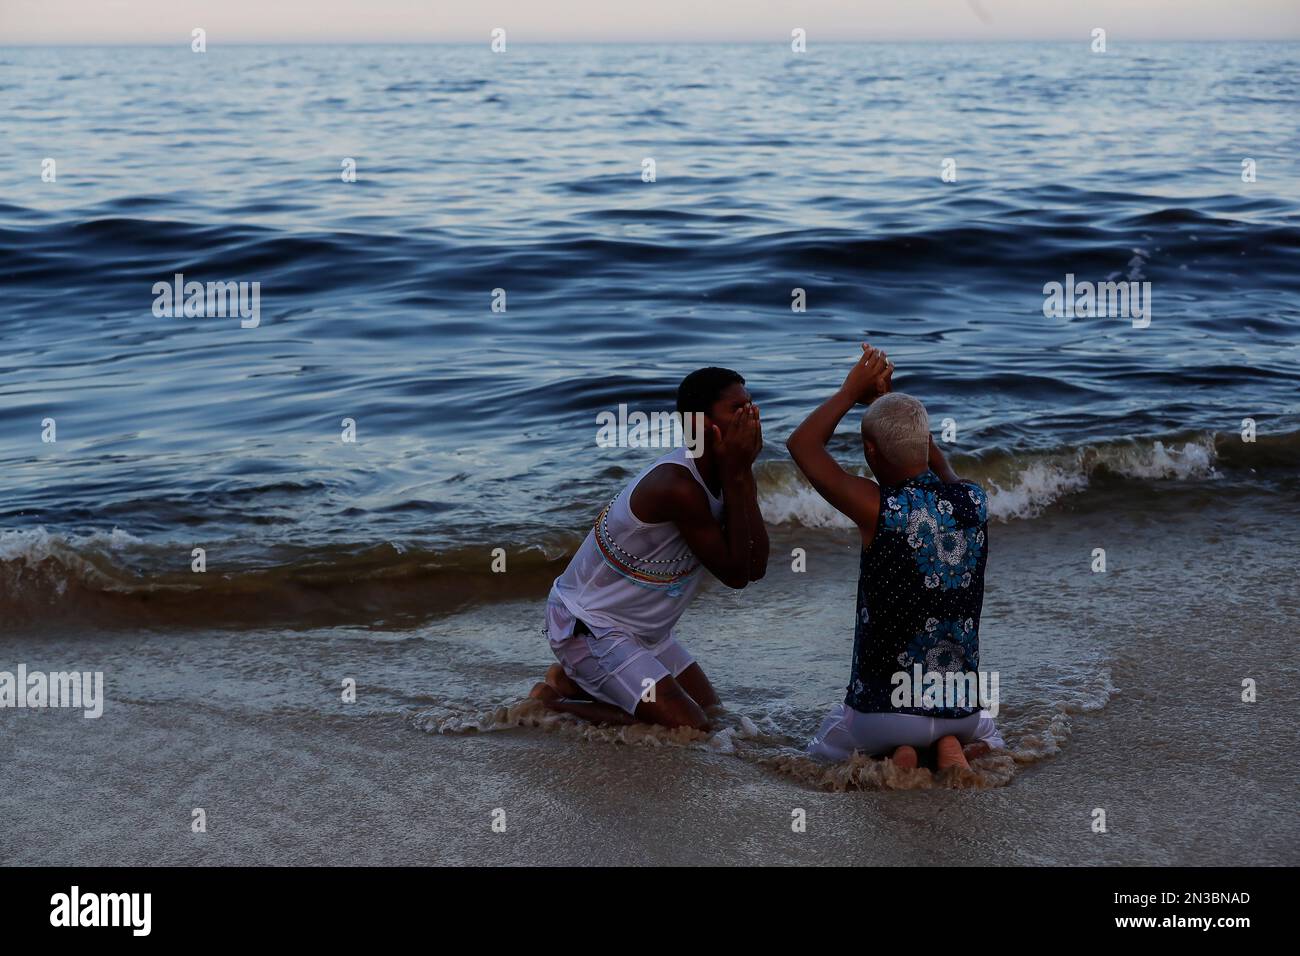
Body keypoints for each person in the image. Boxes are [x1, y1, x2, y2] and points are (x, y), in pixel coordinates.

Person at [786, 345, 1004, 770]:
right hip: (962, 712)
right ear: (924, 441)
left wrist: (852, 391)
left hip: (881, 715)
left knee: (813, 756)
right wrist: (894, 408)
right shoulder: (972, 501)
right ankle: (949, 746)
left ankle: (899, 749)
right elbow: (938, 467)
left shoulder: (878, 508)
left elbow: (802, 445)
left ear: (870, 451)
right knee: (992, 737)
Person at [530, 367, 769, 730]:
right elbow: (734, 575)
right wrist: (738, 473)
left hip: (645, 634)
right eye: (738, 409)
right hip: (592, 627)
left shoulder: (726, 472)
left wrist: (741, 473)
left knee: (714, 712)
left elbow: (755, 566)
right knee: (691, 727)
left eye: (751, 406)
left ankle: (576, 683)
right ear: (703, 425)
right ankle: (552, 704)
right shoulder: (677, 486)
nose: (751, 416)